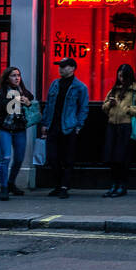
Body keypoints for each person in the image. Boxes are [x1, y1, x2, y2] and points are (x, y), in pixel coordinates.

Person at [41, 56, 89, 198]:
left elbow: (83, 108)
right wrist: (44, 123)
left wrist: (79, 125)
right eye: (60, 66)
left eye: (64, 66)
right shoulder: (55, 84)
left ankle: (64, 186)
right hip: (53, 126)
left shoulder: (80, 87)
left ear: (72, 68)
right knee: (52, 157)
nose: (60, 69)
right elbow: (49, 105)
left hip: (68, 126)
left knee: (67, 158)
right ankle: (58, 185)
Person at [101, 62, 136, 198]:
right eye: (119, 75)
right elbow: (104, 107)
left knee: (122, 157)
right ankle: (114, 184)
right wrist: (110, 103)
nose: (120, 78)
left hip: (126, 126)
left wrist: (127, 110)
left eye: (123, 76)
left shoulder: (135, 90)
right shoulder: (114, 89)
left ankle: (122, 185)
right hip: (112, 125)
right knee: (111, 157)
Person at [0, 66, 34, 201]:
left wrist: (28, 102)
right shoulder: (0, 92)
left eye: (18, 75)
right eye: (13, 75)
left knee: (19, 159)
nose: (17, 78)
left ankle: (11, 183)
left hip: (19, 129)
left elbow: (32, 104)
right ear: (7, 78)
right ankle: (4, 188)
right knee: (5, 158)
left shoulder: (24, 92)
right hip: (4, 128)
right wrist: (14, 100)